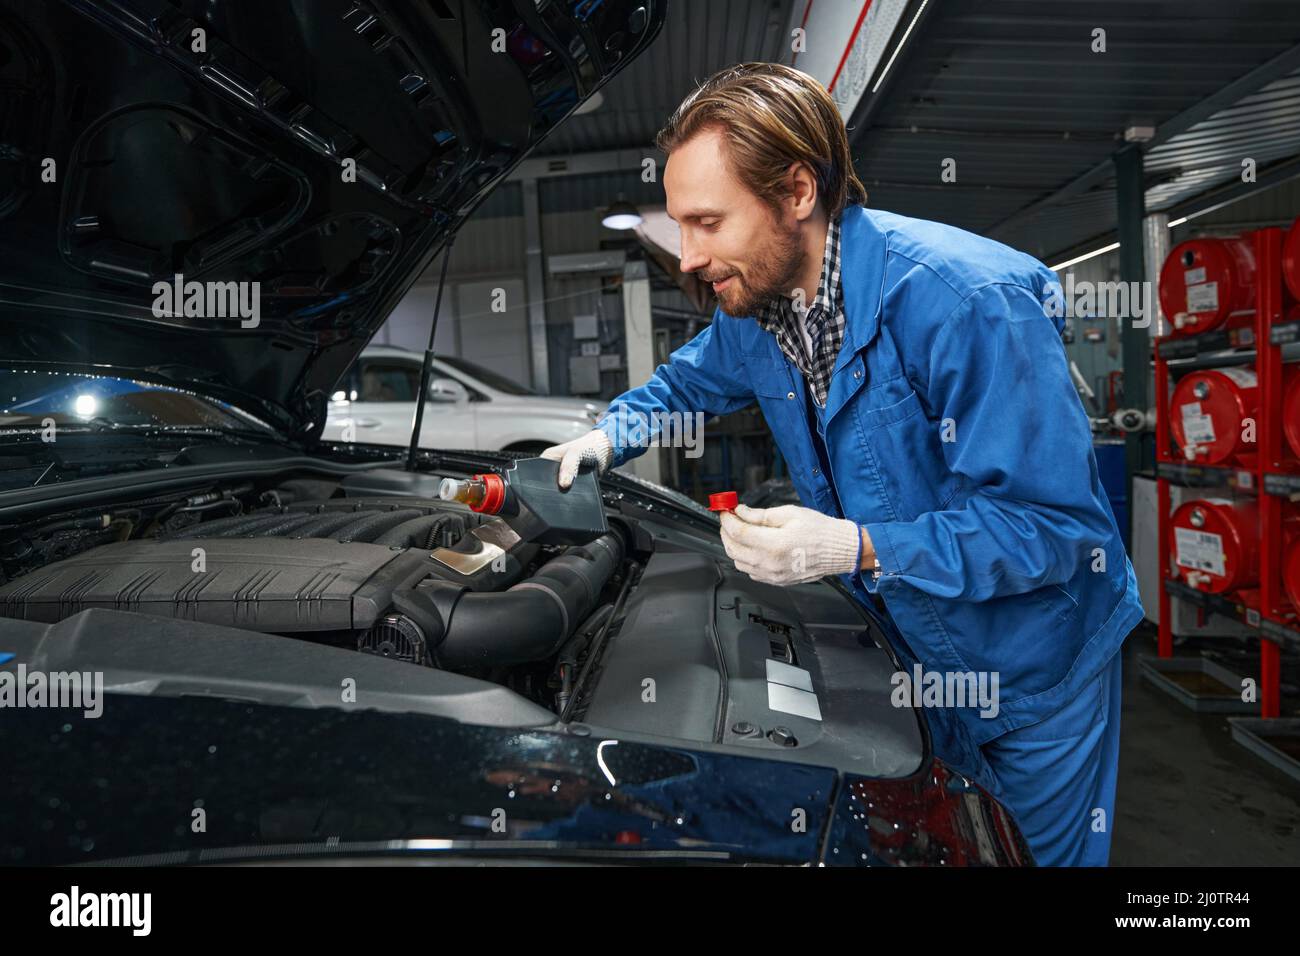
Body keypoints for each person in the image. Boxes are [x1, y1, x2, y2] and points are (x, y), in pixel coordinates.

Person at [541, 63, 1143, 866]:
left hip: (1032, 672)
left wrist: (854, 548)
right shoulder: (759, 308)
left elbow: (1055, 527)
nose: (686, 256)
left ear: (796, 192)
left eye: (707, 223)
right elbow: (688, 381)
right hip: (913, 662)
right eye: (680, 225)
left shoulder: (962, 302)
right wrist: (609, 436)